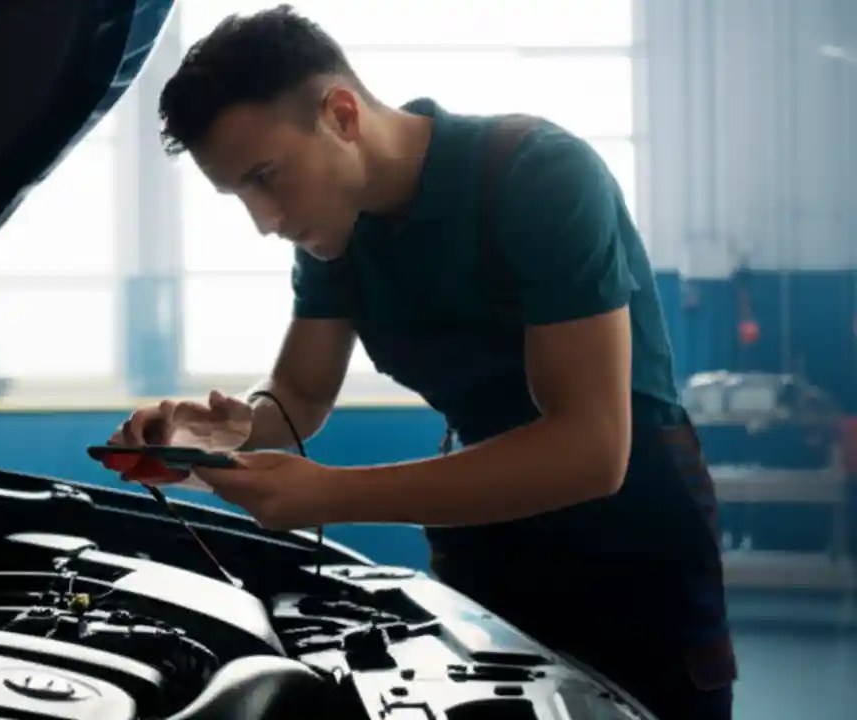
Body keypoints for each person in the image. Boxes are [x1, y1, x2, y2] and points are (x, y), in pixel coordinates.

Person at [107, 5, 737, 717]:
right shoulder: (336, 236)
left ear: (341, 113)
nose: (265, 221)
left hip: (633, 545)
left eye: (267, 177)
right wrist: (217, 433)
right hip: (489, 541)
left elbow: (592, 449)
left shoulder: (539, 177)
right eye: (240, 195)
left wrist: (327, 496)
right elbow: (298, 394)